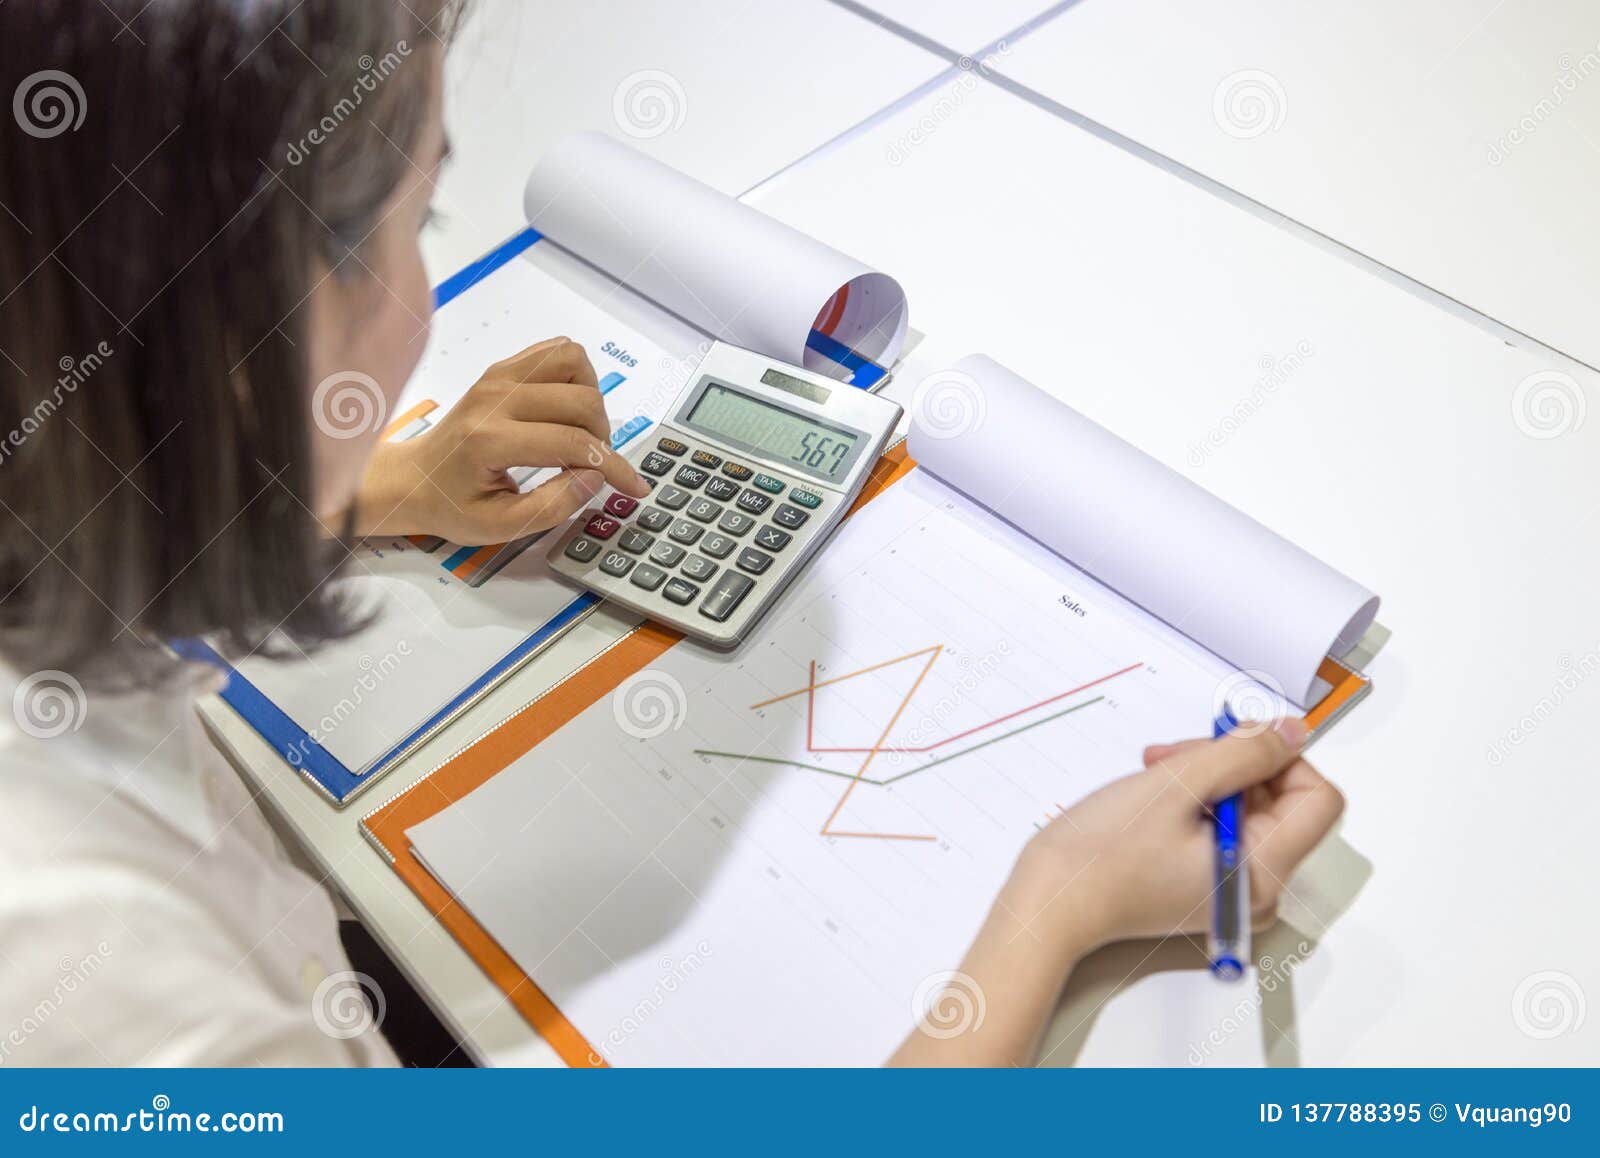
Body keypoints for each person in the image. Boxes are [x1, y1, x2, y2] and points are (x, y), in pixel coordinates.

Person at [0, 1, 1342, 1067]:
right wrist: (1056, 906)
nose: (414, 310)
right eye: (416, 227)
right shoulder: (107, 991)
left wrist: (367, 486)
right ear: (228, 342)